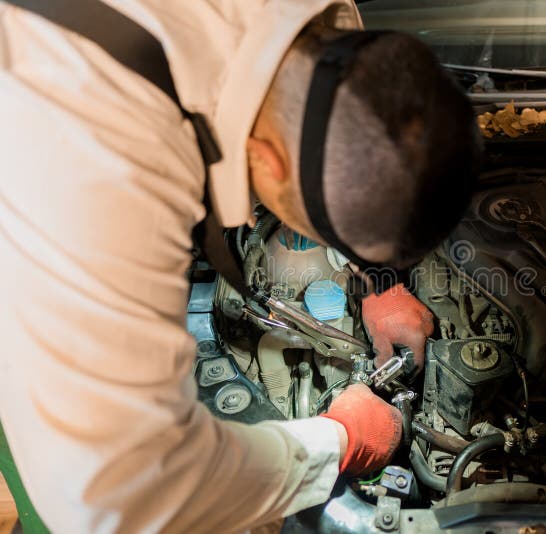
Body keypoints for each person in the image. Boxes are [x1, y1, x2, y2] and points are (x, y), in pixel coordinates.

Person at [0, 0, 480, 532]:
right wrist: (338, 441)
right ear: (267, 162)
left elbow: (348, 139)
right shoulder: (101, 166)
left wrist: (379, 280)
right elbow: (113, 495)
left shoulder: (316, 33)